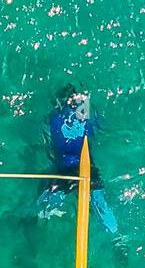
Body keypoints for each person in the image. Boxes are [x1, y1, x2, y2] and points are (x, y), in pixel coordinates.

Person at [37, 85, 119, 235]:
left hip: (63, 174)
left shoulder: (52, 118)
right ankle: (117, 238)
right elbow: (100, 131)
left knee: (43, 208)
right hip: (88, 171)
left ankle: (41, 219)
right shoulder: (89, 115)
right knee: (102, 207)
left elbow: (47, 146)